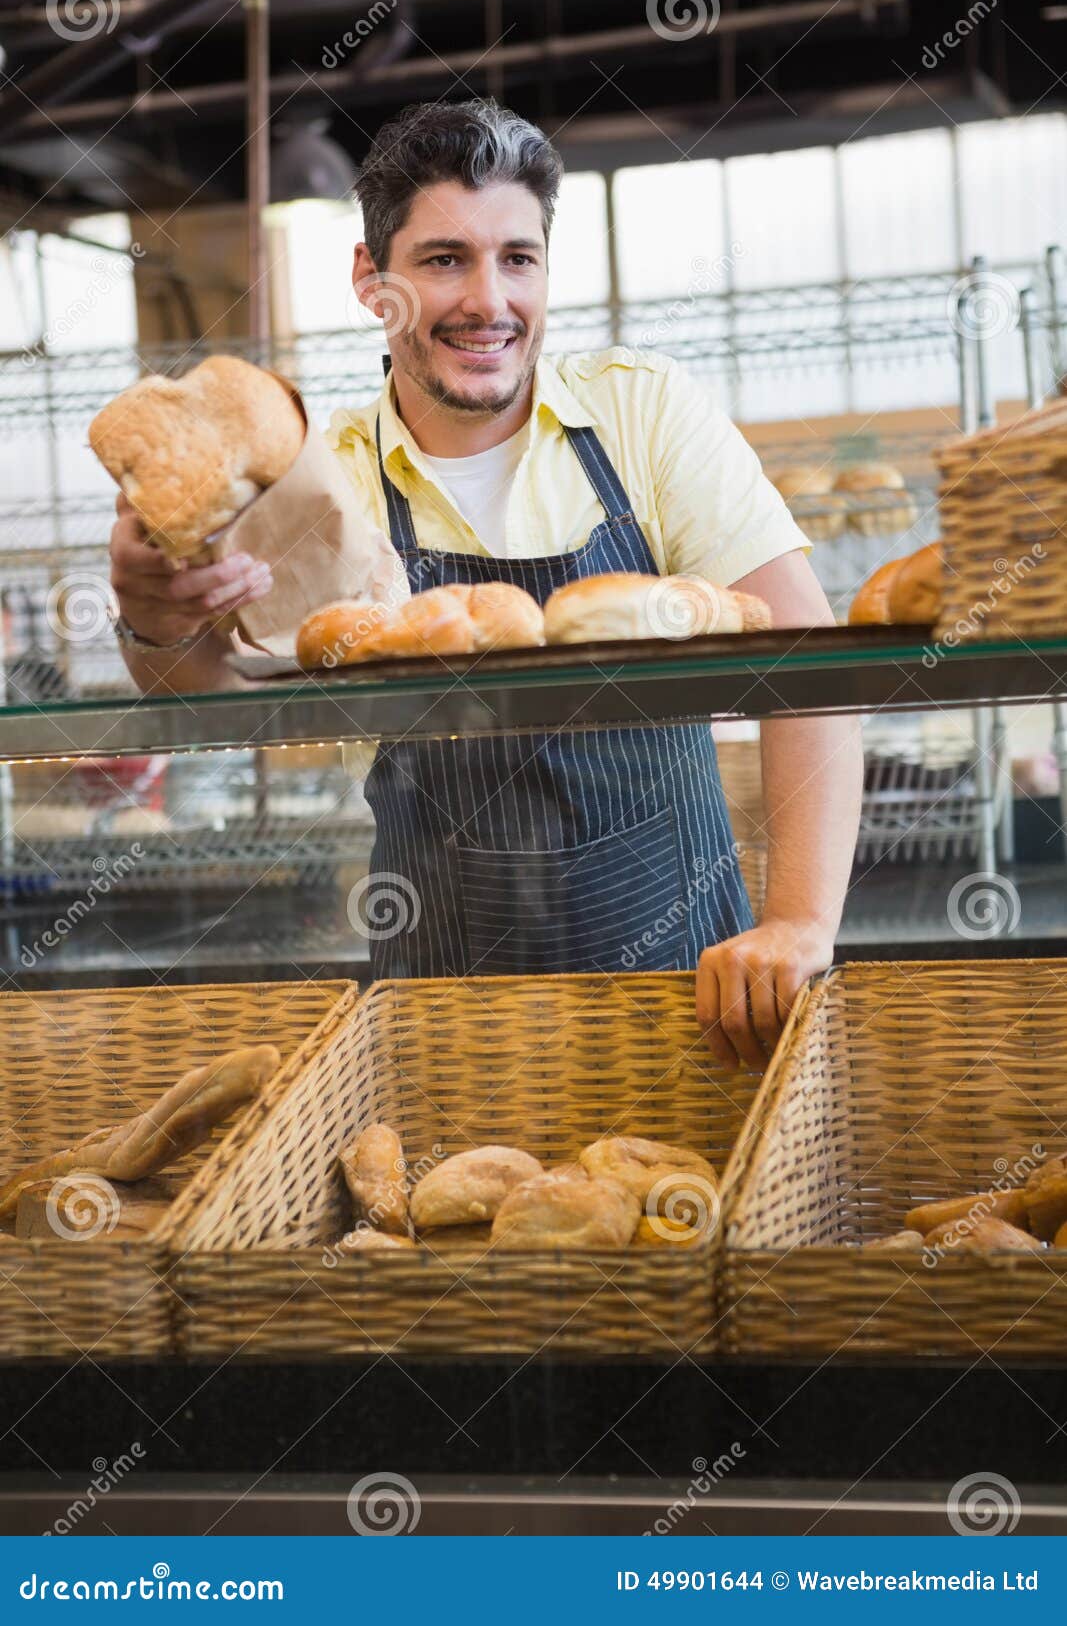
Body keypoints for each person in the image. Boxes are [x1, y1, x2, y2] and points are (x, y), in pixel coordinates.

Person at [110, 98, 863, 1065]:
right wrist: (154, 620)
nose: (487, 301)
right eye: (442, 260)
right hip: (440, 1004)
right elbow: (215, 700)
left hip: (688, 984)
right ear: (369, 281)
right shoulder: (319, 473)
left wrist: (798, 921)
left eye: (517, 258)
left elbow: (809, 667)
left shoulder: (642, 415)